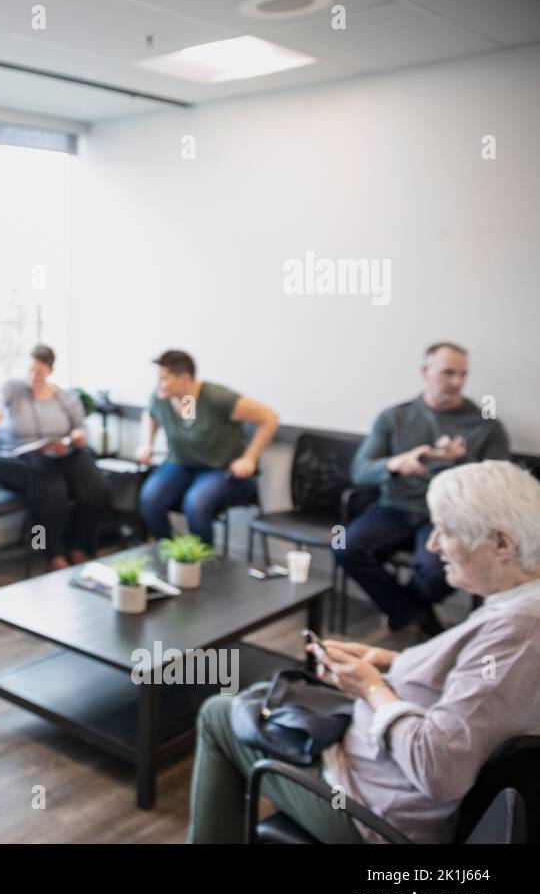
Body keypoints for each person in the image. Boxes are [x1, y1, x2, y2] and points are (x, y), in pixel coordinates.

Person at [189, 460, 540, 844]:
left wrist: (371, 689)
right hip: (370, 771)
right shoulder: (517, 606)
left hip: (373, 814)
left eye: (446, 530)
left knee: (218, 713)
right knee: (258, 705)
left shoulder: (517, 632)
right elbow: (463, 677)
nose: (432, 544)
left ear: (502, 544)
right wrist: (386, 661)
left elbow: (441, 770)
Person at [335, 342, 510, 635]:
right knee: (344, 546)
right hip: (396, 506)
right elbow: (360, 472)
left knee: (436, 572)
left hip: (450, 513)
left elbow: (499, 484)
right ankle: (416, 616)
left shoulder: (486, 424)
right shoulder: (394, 416)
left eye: (463, 374)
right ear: (425, 372)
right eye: (447, 373)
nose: (457, 382)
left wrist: (462, 459)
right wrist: (394, 464)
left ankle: (404, 612)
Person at [136, 349, 278, 546]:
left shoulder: (217, 397)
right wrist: (147, 444)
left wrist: (249, 458)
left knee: (195, 503)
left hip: (219, 469)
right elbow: (150, 415)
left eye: (164, 378)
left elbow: (269, 418)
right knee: (150, 498)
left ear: (184, 378)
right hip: (181, 464)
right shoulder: (170, 397)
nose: (159, 384)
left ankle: (202, 564)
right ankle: (170, 554)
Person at [0, 344, 109, 570]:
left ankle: (77, 545)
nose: (32, 377)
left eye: (38, 372)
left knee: (98, 491)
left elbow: (80, 427)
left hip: (62, 450)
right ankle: (50, 552)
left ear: (49, 370)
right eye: (30, 370)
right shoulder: (12, 390)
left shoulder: (63, 397)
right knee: (52, 493)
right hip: (22, 456)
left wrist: (78, 436)